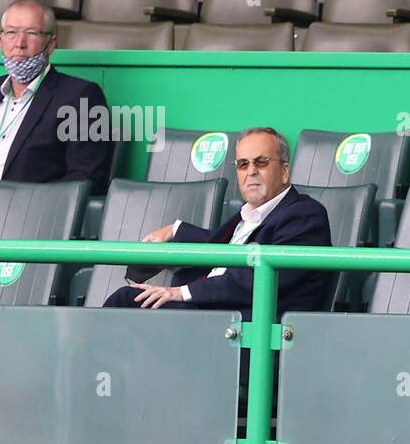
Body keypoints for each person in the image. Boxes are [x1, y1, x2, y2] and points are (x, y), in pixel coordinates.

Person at [103, 127, 332, 316]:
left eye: (261, 162)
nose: (251, 171)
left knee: (128, 301)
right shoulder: (248, 217)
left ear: (284, 171)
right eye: (243, 164)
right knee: (130, 305)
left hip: (245, 330)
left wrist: (180, 292)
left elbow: (257, 279)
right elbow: (221, 246)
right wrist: (175, 229)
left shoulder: (305, 215)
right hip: (210, 319)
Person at [0, 0, 113, 234]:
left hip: (21, 227)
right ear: (0, 41)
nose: (19, 44)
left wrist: (23, 203)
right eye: (11, 33)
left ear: (51, 44)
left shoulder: (81, 96)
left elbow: (88, 177)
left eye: (31, 33)